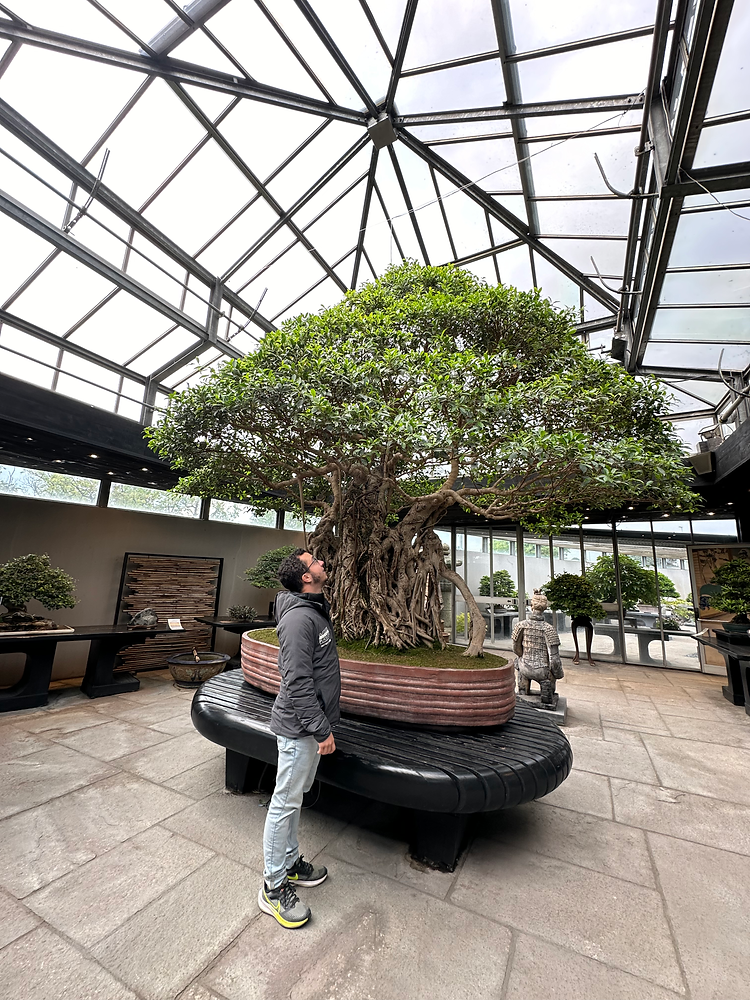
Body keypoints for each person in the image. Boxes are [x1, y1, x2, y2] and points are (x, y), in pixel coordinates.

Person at [258, 547, 341, 929]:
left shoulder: (313, 611)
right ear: (306, 577)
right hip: (300, 729)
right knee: (285, 803)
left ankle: (290, 864)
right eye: (316, 561)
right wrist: (320, 729)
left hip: (308, 727)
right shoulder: (298, 621)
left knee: (294, 800)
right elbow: (296, 682)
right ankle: (273, 886)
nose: (323, 562)